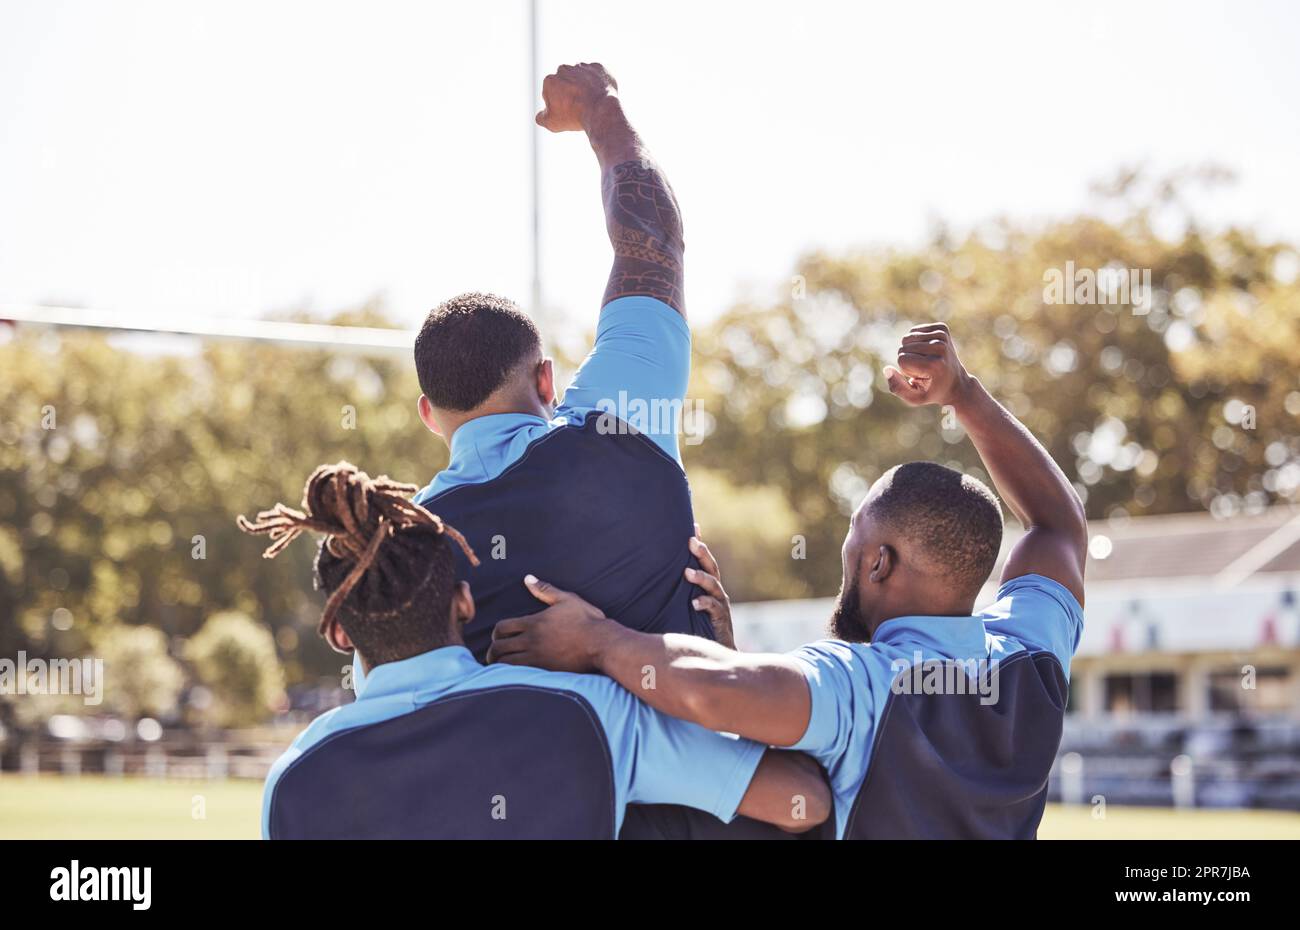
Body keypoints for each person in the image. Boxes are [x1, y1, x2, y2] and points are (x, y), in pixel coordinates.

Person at [488, 323, 1089, 839]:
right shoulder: (1033, 655)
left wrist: (595, 640)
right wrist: (965, 396)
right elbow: (1059, 526)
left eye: (855, 533)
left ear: (879, 563)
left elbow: (716, 690)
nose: (845, 551)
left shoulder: (863, 687)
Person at [407, 63, 797, 838]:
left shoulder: (408, 543)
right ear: (547, 379)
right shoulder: (622, 423)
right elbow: (653, 240)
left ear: (427, 414)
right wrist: (601, 113)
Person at [239, 462, 830, 840]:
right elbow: (802, 802)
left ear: (339, 631)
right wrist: (691, 650)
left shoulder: (294, 780)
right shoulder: (588, 712)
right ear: (464, 602)